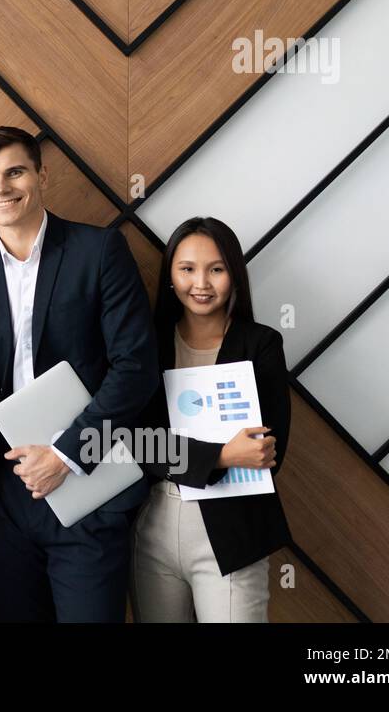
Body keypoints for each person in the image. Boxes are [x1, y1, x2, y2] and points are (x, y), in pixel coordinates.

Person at [0, 126, 158, 622]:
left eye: (15, 171)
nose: (1, 187)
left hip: (89, 488)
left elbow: (136, 367)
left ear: (42, 174)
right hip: (2, 503)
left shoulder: (100, 251)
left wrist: (67, 453)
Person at [130, 216, 291, 622]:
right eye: (187, 269)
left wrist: (187, 453)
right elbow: (135, 443)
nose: (201, 283)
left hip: (234, 528)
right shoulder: (146, 342)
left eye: (216, 269)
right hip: (154, 525)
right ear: (170, 275)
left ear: (234, 274)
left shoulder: (262, 343)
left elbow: (265, 453)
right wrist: (220, 455)